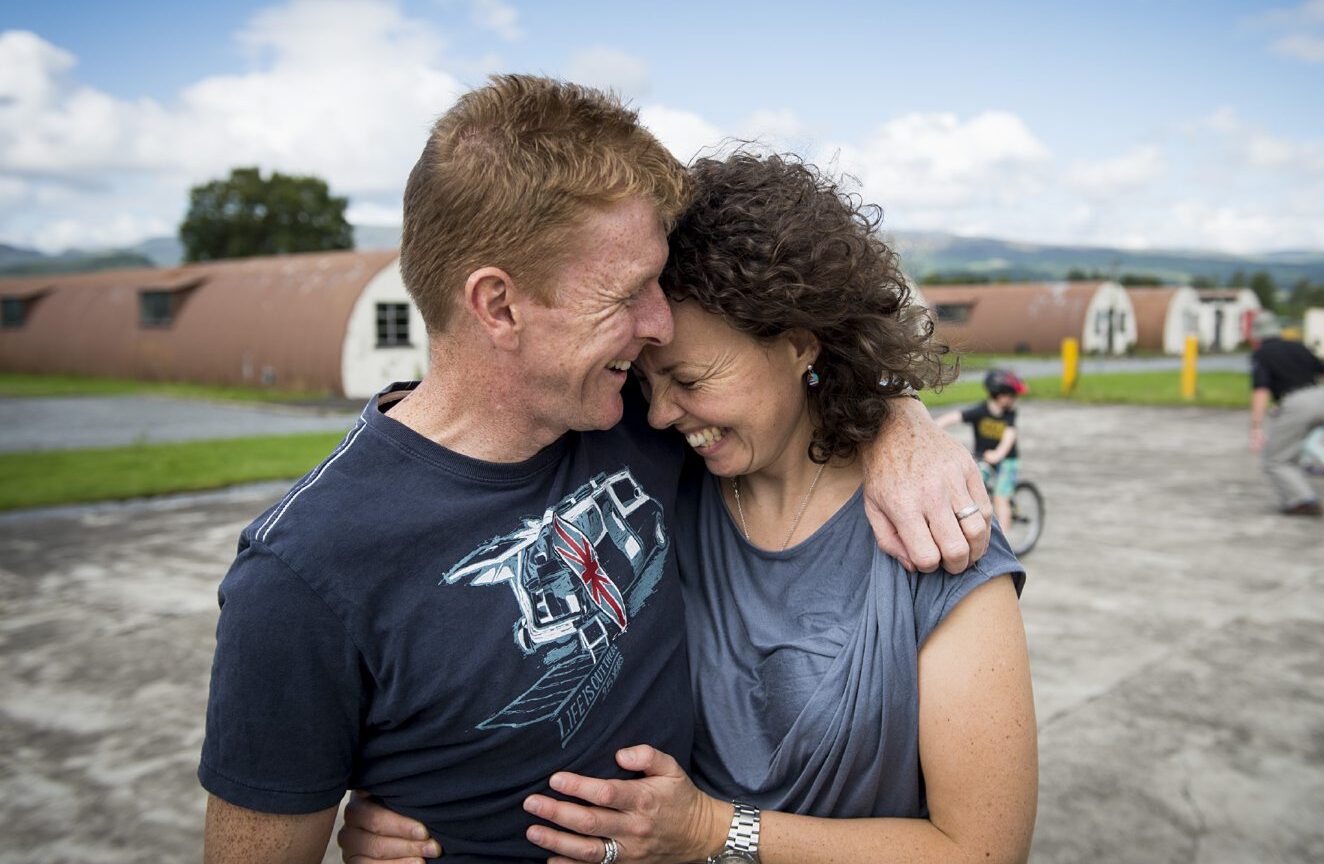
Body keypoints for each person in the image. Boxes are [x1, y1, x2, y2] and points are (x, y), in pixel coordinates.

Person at [198, 78, 995, 863]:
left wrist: (899, 421)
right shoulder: (303, 575)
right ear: (499, 306)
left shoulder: (631, 426)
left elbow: (784, 376)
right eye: (629, 293)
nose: (657, 326)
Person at [1248, 310, 1324, 516]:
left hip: (1297, 403)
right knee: (1292, 452)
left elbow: (1261, 390)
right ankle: (1300, 493)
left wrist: (1256, 426)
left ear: (1256, 335)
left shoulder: (1261, 354)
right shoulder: (1297, 345)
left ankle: (1303, 500)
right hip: (1322, 398)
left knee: (1275, 459)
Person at [937, 369, 1026, 535]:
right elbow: (954, 417)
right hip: (984, 458)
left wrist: (999, 453)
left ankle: (1005, 541)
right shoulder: (981, 411)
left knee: (1001, 498)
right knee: (971, 487)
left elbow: (1010, 434)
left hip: (1007, 460)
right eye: (1011, 395)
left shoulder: (1009, 414)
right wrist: (932, 428)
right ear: (1000, 394)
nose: (1014, 400)